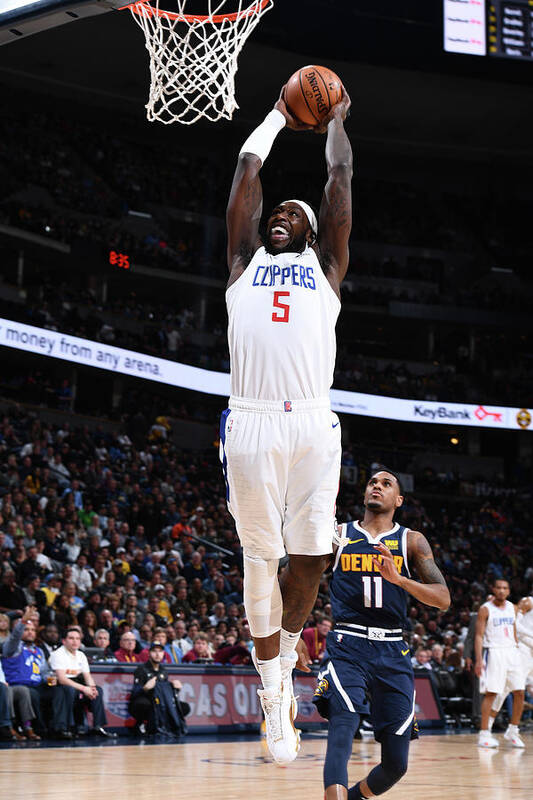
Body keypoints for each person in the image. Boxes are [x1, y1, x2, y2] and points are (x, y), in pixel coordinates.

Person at [221, 79, 352, 764]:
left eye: (292, 216)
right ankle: (274, 693)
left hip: (312, 424)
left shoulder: (325, 269)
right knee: (258, 557)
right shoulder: (243, 265)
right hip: (250, 422)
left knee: (309, 559)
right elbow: (248, 173)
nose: (281, 215)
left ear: (309, 234)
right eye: (276, 213)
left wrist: (335, 119)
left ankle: (288, 646)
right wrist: (275, 113)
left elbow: (337, 180)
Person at [312, 468, 450, 800]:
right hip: (348, 642)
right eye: (373, 482)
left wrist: (399, 579)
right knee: (342, 729)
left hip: (392, 648)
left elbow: (443, 599)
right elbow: (301, 580)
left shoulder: (412, 540)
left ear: (398, 500)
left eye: (386, 484)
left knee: (396, 764)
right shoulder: (338, 535)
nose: (377, 486)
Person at [475, 580, 525, 748]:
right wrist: (479, 659)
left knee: (520, 692)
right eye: (499, 588)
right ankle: (484, 734)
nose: (502, 591)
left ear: (509, 591)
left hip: (512, 651)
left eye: (505, 588)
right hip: (495, 652)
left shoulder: (513, 607)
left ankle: (513, 730)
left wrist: (517, 648)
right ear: (493, 589)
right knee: (492, 693)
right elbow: (478, 636)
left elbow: (514, 630)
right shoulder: (485, 609)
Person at [49, 626, 117, 738]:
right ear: (64, 641)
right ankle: (64, 727)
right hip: (59, 684)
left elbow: (87, 675)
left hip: (78, 683)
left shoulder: (81, 655)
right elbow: (62, 678)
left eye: (77, 638)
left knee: (98, 690)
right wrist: (84, 688)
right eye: (71, 638)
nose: (75, 641)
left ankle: (98, 726)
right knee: (68, 689)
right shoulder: (58, 654)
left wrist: (92, 687)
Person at [129, 641, 189, 736]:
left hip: (161, 701)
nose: (157, 654)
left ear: (163, 654)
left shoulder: (163, 671)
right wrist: (145, 688)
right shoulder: (141, 669)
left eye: (160, 651)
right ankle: (142, 724)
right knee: (143, 704)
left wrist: (176, 688)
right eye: (154, 651)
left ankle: (166, 725)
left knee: (184, 707)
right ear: (149, 653)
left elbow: (166, 692)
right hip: (146, 700)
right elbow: (134, 693)